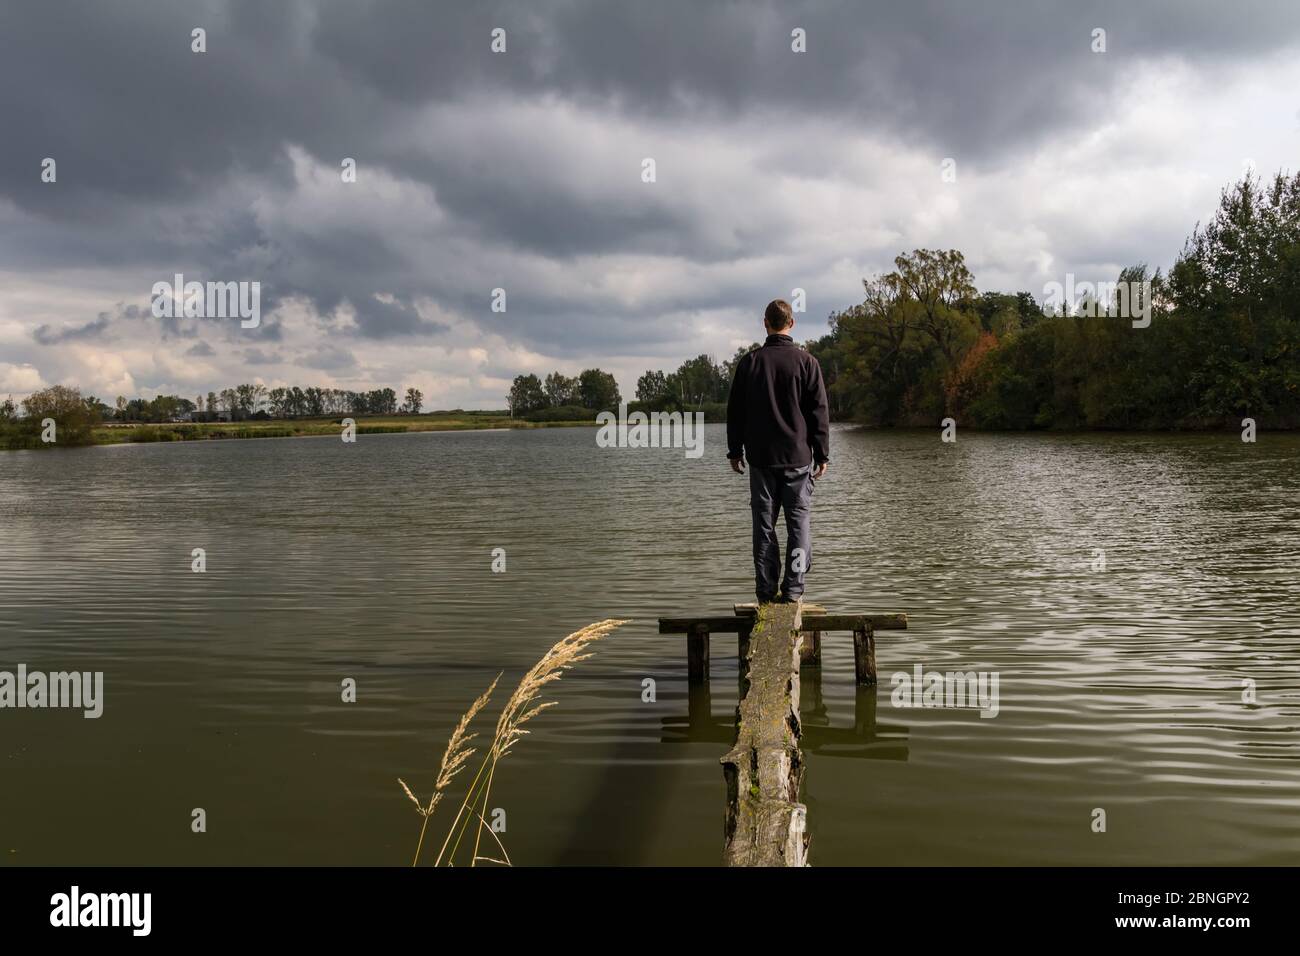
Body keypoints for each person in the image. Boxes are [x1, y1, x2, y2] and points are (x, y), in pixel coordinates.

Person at [725, 299, 830, 604]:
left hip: (761, 459)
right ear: (792, 324)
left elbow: (736, 413)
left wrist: (735, 451)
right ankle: (794, 589)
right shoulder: (807, 362)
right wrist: (822, 454)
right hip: (798, 458)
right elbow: (819, 412)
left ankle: (766, 590)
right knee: (798, 524)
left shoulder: (750, 363)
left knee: (764, 526)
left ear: (765, 323)